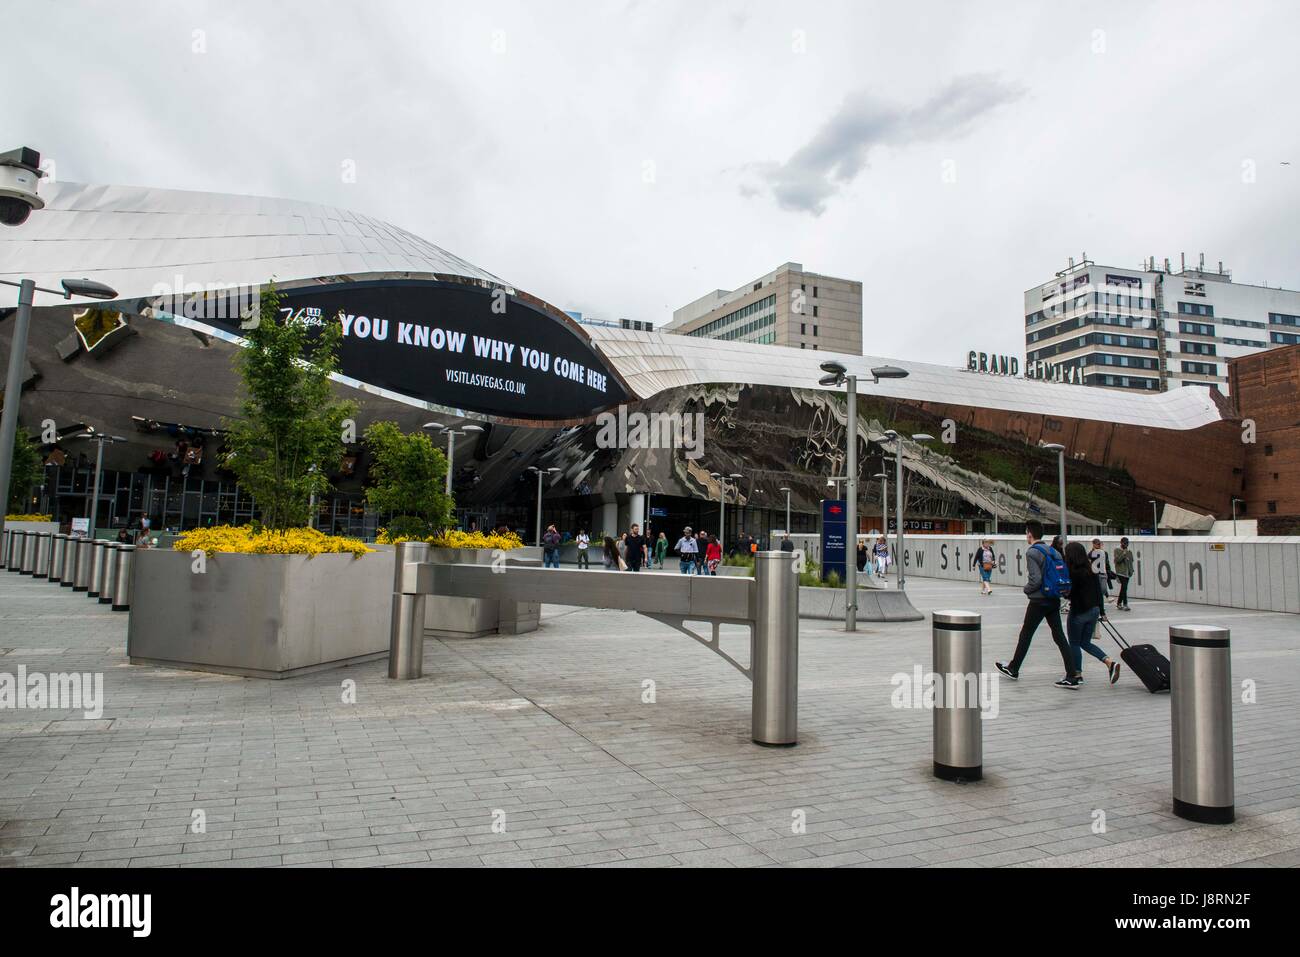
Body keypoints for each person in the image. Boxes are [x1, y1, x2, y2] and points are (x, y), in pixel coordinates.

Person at [995, 520, 1077, 689]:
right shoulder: (1053, 551)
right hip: (1054, 598)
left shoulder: (1032, 552)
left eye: (1026, 533)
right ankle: (1072, 674)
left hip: (1039, 600)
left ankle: (1013, 668)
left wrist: (1027, 590)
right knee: (1059, 636)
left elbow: (1036, 579)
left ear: (1030, 534)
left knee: (1026, 634)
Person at [1064, 540, 1121, 685]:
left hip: (1079, 612)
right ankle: (1110, 662)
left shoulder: (1074, 573)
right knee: (1085, 642)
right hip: (1094, 611)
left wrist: (1065, 594)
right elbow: (1099, 593)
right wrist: (1102, 613)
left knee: (1075, 643)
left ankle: (1077, 674)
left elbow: (1071, 594)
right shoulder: (1092, 571)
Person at [1112, 537, 1135, 610]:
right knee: (1124, 587)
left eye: (1127, 543)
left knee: (1123, 588)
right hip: (1121, 572)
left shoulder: (1129, 551)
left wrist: (1131, 570)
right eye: (1125, 543)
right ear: (1121, 542)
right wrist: (1124, 554)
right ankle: (1125, 604)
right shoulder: (1117, 550)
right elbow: (1117, 560)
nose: (1126, 545)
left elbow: (1131, 560)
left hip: (1127, 572)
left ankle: (1119, 603)